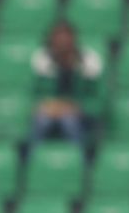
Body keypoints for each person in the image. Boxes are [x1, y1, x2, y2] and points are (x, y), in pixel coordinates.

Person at [28, 20, 105, 150]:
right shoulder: (42, 63)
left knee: (69, 122)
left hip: (81, 118)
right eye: (58, 41)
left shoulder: (89, 64)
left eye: (66, 40)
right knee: (42, 121)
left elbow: (100, 102)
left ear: (74, 40)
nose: (62, 44)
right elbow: (33, 95)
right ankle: (32, 162)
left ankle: (79, 162)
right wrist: (45, 106)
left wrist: (79, 108)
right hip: (50, 113)